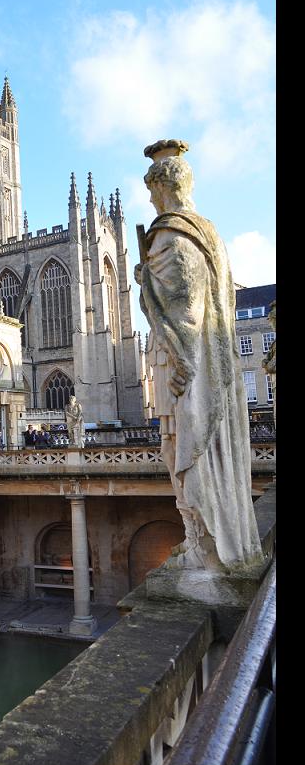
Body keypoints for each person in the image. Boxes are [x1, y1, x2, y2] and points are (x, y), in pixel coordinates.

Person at [136, 139, 262, 570]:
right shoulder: (209, 232)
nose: (150, 199)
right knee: (187, 453)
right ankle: (210, 540)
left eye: (152, 191)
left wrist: (145, 286)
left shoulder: (170, 234)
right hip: (212, 368)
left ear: (163, 187)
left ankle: (205, 544)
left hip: (188, 368)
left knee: (184, 454)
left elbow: (183, 307)